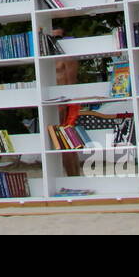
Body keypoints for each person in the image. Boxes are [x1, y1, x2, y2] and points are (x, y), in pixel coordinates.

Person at [51, 27, 81, 177]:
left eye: (58, 38)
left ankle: (73, 178)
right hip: (60, 101)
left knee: (65, 142)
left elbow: (70, 81)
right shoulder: (54, 57)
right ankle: (74, 178)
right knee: (66, 142)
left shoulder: (66, 57)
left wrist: (64, 105)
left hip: (65, 102)